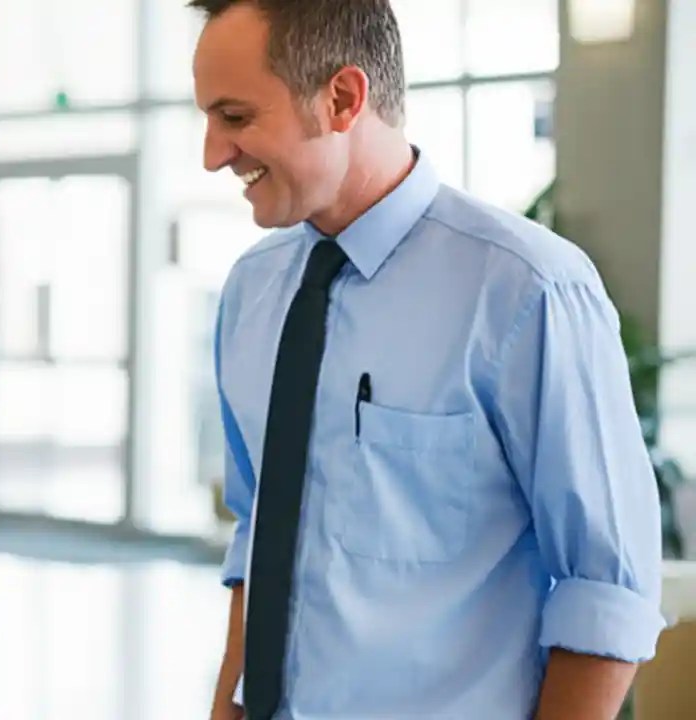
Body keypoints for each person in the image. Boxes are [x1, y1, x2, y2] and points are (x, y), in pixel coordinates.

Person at [190, 1, 665, 719]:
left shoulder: (527, 291)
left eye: (235, 117)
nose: (212, 153)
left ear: (343, 98)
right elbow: (259, 529)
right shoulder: (252, 292)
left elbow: (605, 592)